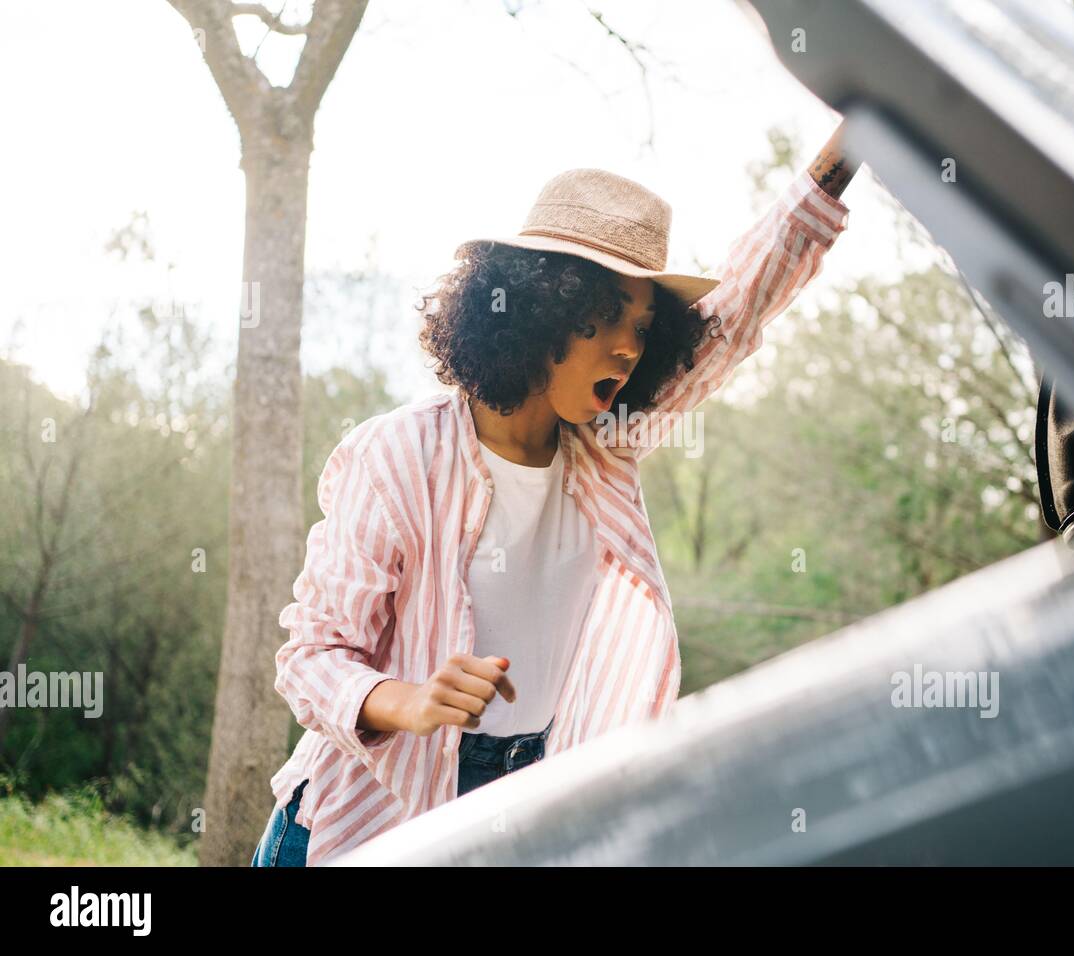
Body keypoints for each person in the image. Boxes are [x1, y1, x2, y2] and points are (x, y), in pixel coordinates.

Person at [251, 122, 858, 866]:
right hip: (364, 819)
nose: (627, 348)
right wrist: (410, 700)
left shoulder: (607, 446)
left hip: (525, 806)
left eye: (643, 327)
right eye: (602, 319)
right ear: (533, 313)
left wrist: (854, 142)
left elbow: (736, 314)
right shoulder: (397, 456)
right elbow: (312, 657)